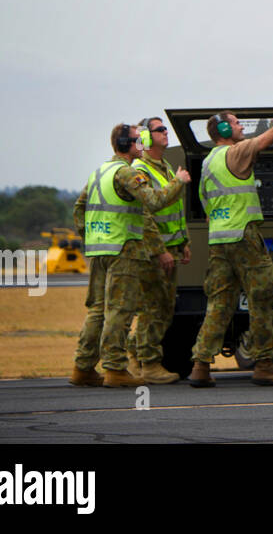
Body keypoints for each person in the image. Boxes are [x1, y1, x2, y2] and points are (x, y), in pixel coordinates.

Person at [188, 83, 273, 387]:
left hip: (218, 240)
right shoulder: (237, 152)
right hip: (244, 237)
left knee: (219, 304)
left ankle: (200, 365)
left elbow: (207, 205)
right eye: (235, 122)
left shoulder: (208, 162)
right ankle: (263, 364)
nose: (240, 127)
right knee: (263, 299)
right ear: (223, 128)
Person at [69, 123, 189, 387]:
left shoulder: (99, 172)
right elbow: (155, 201)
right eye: (137, 140)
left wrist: (92, 237)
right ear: (126, 144)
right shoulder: (126, 173)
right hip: (124, 249)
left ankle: (83, 367)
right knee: (120, 310)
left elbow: (79, 210)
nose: (142, 143)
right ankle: (115, 369)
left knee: (98, 309)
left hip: (99, 249)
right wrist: (178, 182)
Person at [125, 116, 190, 384]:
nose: (166, 133)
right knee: (153, 309)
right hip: (153, 251)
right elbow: (147, 214)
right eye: (160, 129)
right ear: (147, 137)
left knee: (164, 308)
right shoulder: (141, 169)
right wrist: (160, 249)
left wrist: (183, 240)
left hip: (171, 247)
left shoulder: (163, 166)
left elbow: (174, 209)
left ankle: (136, 354)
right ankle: (149, 363)